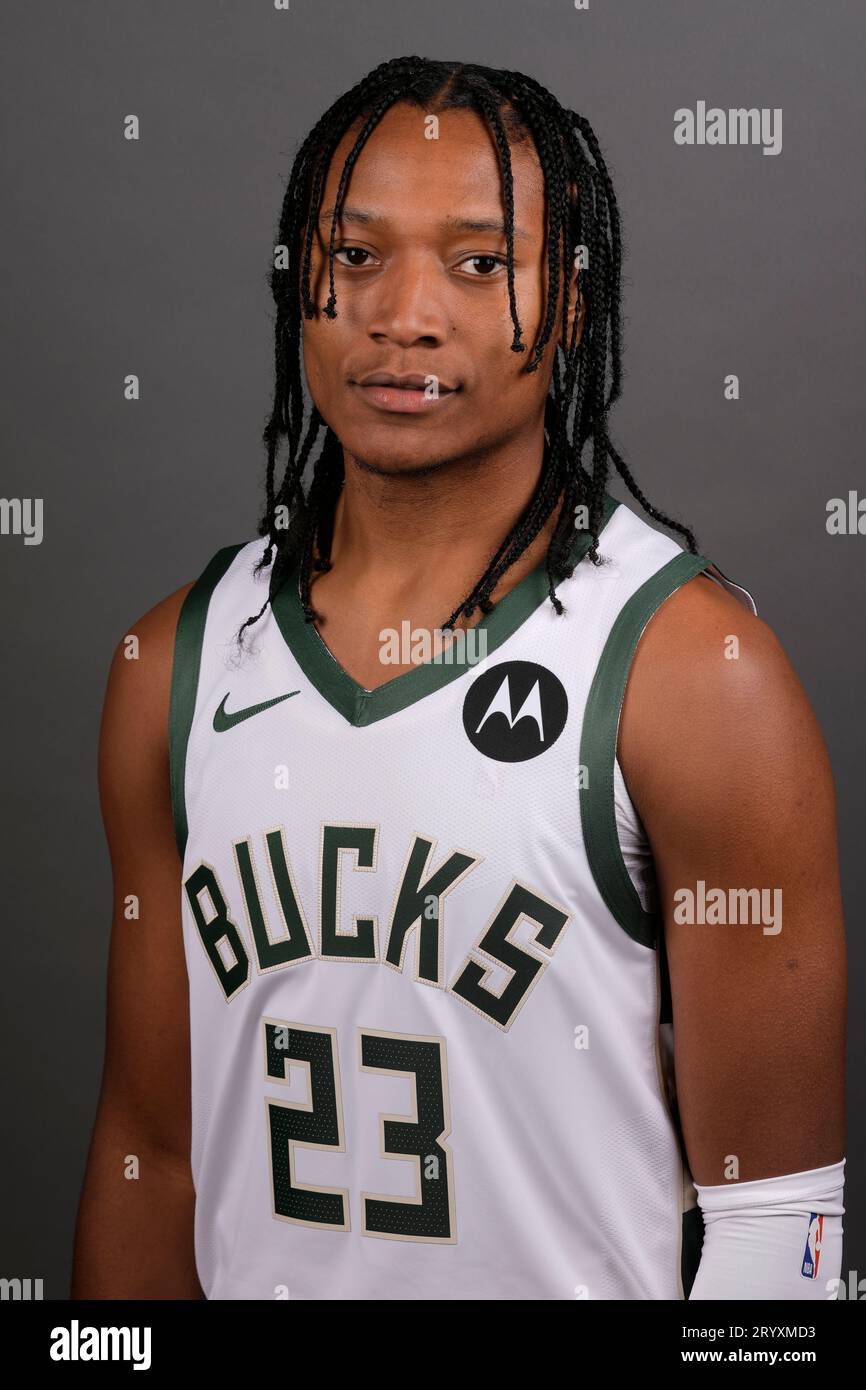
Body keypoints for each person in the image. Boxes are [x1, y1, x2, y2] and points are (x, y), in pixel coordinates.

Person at [73, 56, 846, 1300]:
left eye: (480, 263)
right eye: (356, 256)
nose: (404, 316)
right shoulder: (174, 661)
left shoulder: (689, 675)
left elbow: (777, 1229)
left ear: (575, 304)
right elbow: (151, 1159)